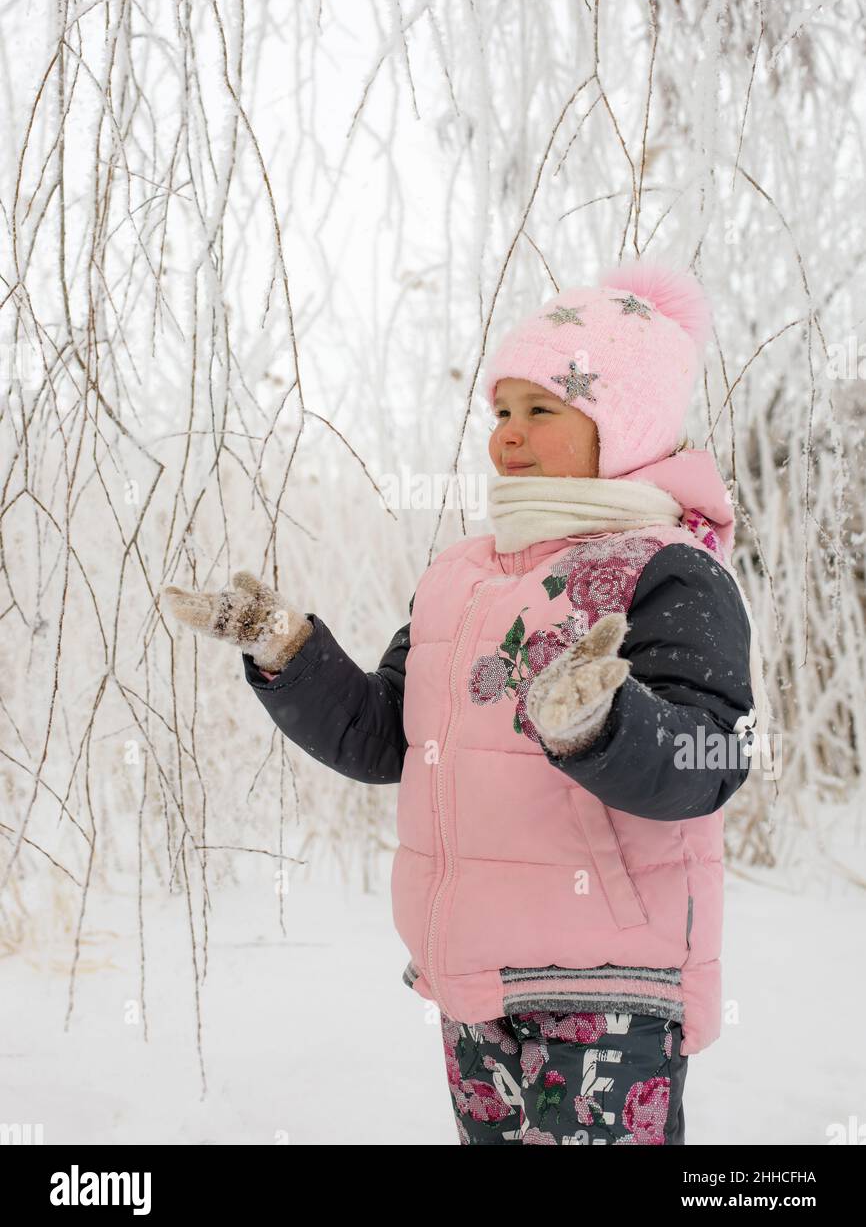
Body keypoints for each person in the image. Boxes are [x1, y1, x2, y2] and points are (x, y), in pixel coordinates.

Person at [161, 259, 768, 1145]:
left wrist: (597, 725)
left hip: (607, 987)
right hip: (474, 976)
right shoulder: (463, 577)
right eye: (502, 412)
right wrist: (286, 648)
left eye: (542, 410)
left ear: (621, 423)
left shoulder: (669, 567)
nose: (509, 435)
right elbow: (383, 737)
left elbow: (710, 761)